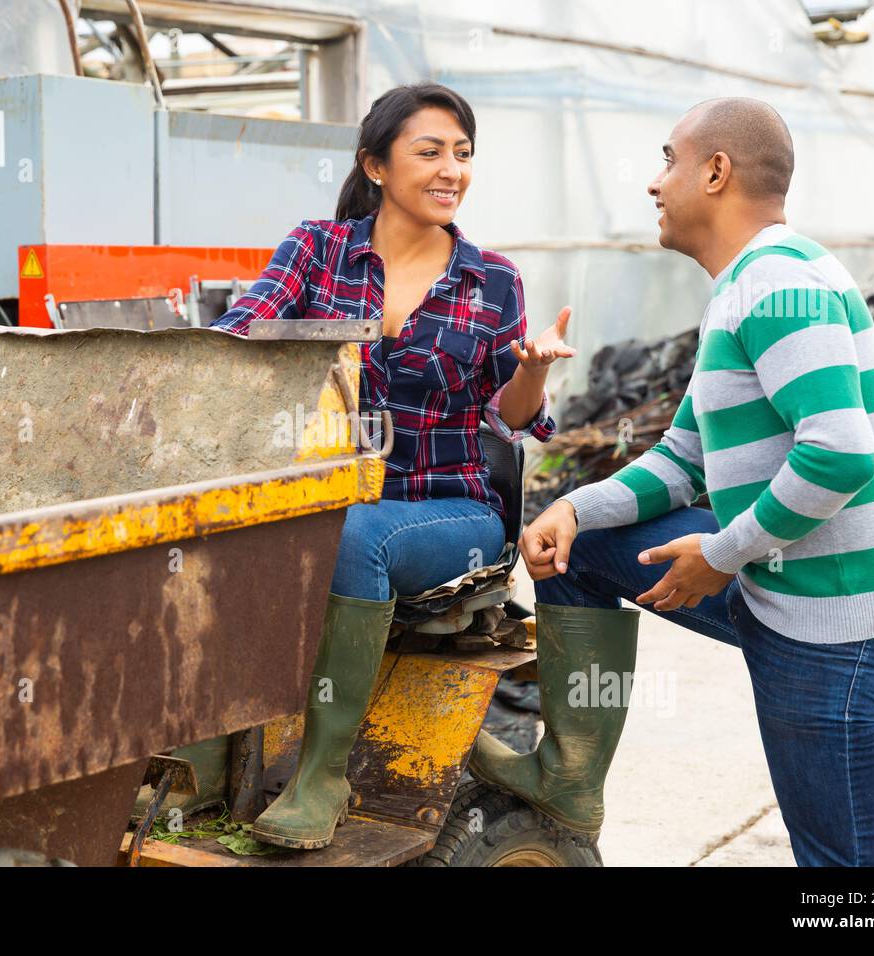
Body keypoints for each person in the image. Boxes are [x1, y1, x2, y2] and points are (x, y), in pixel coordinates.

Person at [470, 97, 874, 867]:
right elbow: (684, 459)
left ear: (716, 172)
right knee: (576, 549)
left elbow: (841, 454)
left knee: (848, 871)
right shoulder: (745, 287)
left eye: (668, 160)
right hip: (776, 583)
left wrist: (723, 553)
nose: (655, 184)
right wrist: (575, 509)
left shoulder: (780, 287)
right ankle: (571, 778)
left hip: (838, 624)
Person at [136, 82, 575, 851]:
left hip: (448, 509)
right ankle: (196, 752)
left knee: (354, 535)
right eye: (430, 151)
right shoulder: (317, 249)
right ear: (375, 164)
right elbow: (242, 340)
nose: (452, 170)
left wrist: (533, 369)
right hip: (324, 495)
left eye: (463, 154)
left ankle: (322, 775)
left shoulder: (491, 279)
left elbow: (509, 418)